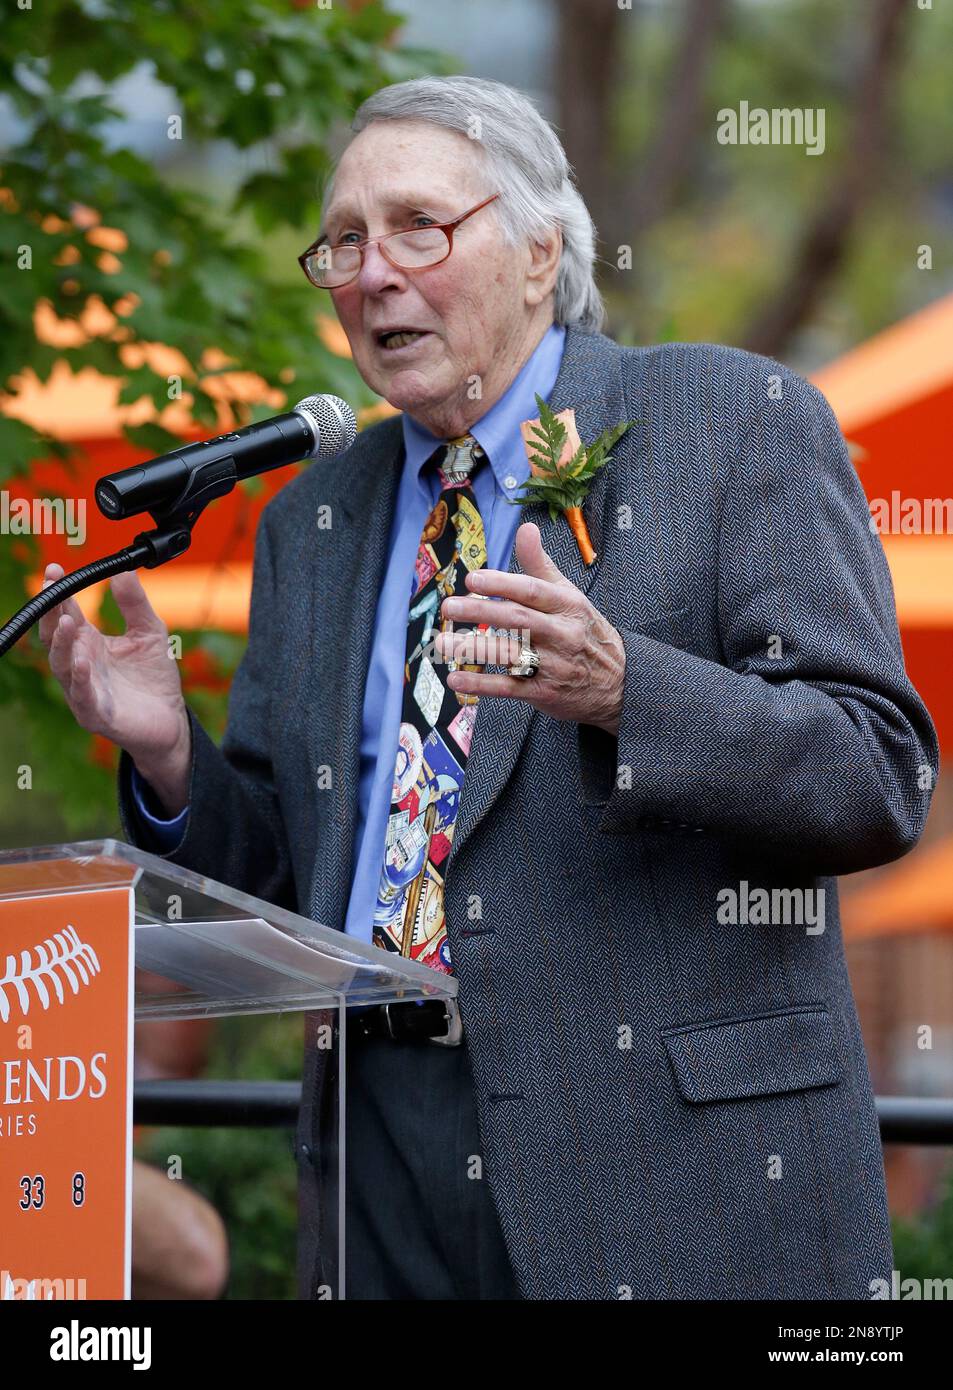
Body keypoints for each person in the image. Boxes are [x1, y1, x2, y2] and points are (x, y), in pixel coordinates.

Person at [40, 74, 938, 1301]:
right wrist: (169, 760)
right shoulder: (313, 517)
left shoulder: (730, 421)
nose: (371, 273)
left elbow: (875, 770)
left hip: (662, 1161)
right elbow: (283, 878)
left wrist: (627, 692)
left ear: (538, 252)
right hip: (376, 1145)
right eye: (343, 241)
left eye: (416, 226)